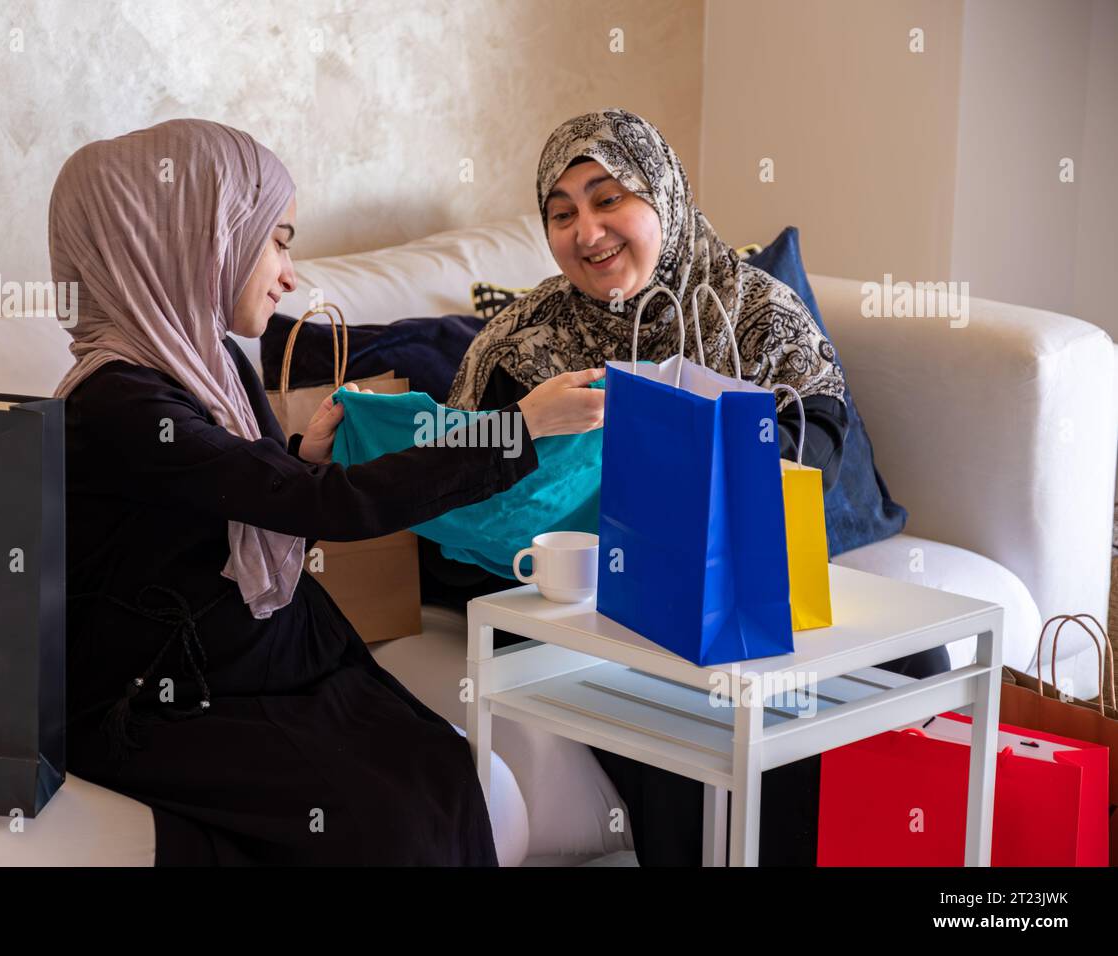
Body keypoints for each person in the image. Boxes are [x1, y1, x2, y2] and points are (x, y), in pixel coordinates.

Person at [51, 118, 603, 865]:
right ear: (190, 239)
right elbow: (321, 506)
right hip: (166, 701)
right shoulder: (120, 403)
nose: (288, 275)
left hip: (254, 665)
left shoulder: (206, 366)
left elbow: (228, 518)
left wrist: (296, 456)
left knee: (443, 780)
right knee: (403, 825)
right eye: (274, 240)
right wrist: (517, 429)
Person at [439, 108, 950, 865]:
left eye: (609, 198)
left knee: (917, 665)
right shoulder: (521, 342)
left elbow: (820, 433)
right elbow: (455, 480)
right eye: (562, 213)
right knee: (698, 714)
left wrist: (725, 458)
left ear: (664, 197)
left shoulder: (747, 310)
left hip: (737, 574)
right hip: (588, 606)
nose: (587, 232)